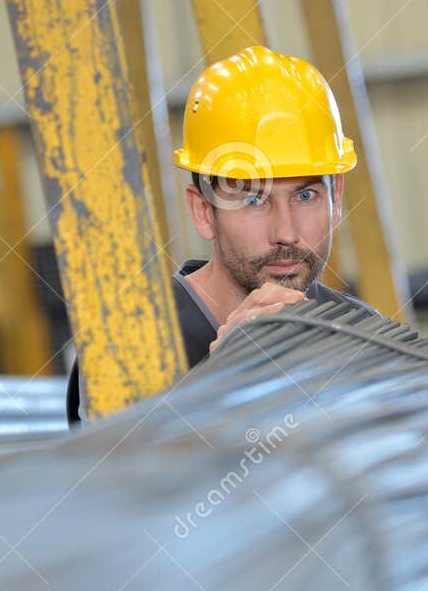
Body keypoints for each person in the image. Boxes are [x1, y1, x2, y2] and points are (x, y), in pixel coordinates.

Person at [67, 45, 376, 424]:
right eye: (252, 200)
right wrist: (223, 378)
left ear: (336, 198)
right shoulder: (128, 348)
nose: (286, 232)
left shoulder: (358, 333)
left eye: (306, 195)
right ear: (203, 212)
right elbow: (118, 479)